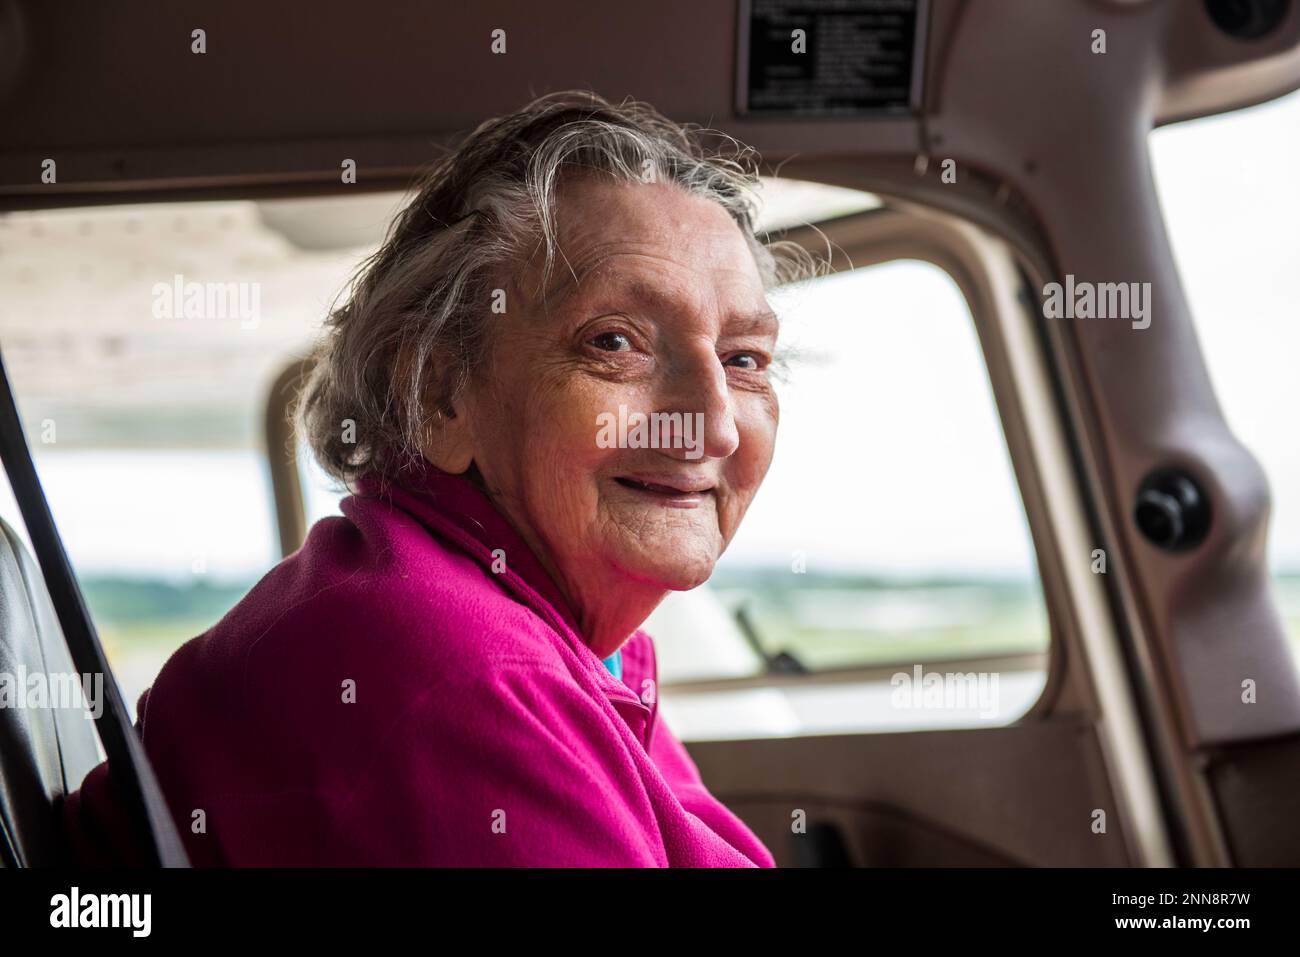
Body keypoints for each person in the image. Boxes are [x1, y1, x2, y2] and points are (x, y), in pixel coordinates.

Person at [63, 90, 814, 866]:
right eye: (615, 341)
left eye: (744, 359)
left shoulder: (565, 638)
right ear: (440, 395)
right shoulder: (466, 672)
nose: (715, 424)